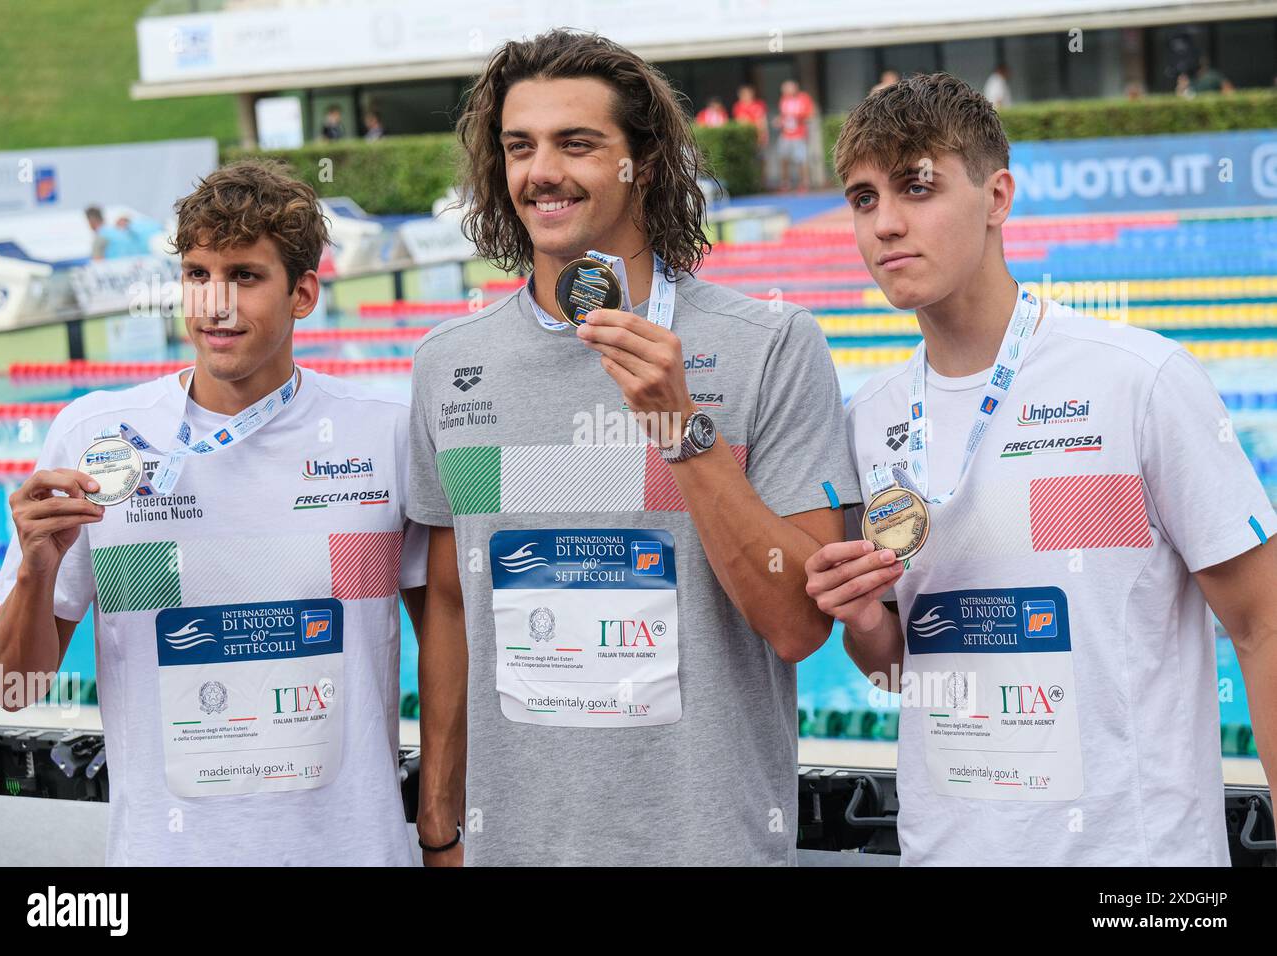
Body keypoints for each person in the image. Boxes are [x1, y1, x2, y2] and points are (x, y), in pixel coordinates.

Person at [409, 28, 856, 866]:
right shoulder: (448, 367)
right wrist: (439, 819)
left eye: (577, 144)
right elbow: (449, 601)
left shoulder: (771, 345)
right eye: (520, 146)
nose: (541, 170)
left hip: (707, 845)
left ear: (641, 164)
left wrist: (684, 431)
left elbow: (798, 624)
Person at [807, 72, 1277, 865]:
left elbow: (1262, 626)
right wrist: (860, 622)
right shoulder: (873, 420)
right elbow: (894, 669)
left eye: (917, 187)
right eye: (862, 198)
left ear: (997, 197)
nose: (886, 224)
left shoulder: (1139, 382)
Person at [0, 159, 429, 866]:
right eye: (197, 275)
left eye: (245, 277)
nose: (215, 304)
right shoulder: (95, 437)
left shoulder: (384, 434)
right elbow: (16, 690)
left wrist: (441, 825)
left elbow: (446, 645)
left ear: (304, 293)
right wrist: (38, 572)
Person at [774, 79, 815, 192]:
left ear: (795, 88)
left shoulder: (804, 98)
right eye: (784, 90)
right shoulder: (783, 100)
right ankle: (785, 183)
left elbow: (811, 114)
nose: (785, 91)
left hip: (799, 134)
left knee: (801, 159)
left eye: (788, 89)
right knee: (783, 158)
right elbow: (783, 116)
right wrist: (779, 121)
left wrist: (799, 118)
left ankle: (804, 183)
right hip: (786, 134)